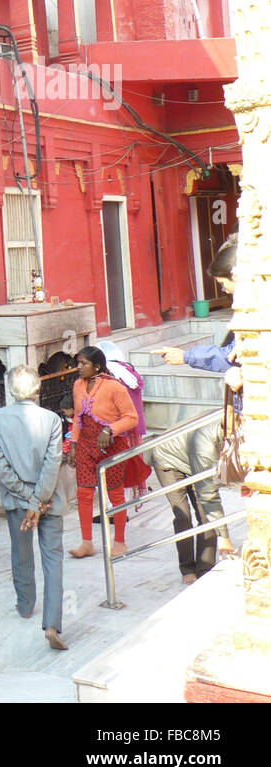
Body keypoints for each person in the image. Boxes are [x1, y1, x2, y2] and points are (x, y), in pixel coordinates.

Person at [146, 234, 241, 580]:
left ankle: (205, 564)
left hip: (202, 444)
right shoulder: (207, 442)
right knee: (184, 514)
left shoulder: (211, 439)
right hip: (168, 461)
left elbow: (209, 492)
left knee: (204, 506)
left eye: (225, 283)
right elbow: (225, 357)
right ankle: (191, 568)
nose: (227, 291)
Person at [0, 365, 69, 651]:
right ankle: (52, 623)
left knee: (21, 553)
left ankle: (24, 605)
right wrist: (37, 500)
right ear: (37, 389)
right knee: (53, 559)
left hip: (20, 500)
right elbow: (52, 462)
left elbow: (0, 465)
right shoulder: (52, 419)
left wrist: (27, 499)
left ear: (10, 390)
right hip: (48, 499)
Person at [68, 346, 141, 559]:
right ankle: (87, 543)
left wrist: (110, 430)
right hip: (85, 445)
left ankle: (119, 541)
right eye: (78, 363)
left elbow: (131, 417)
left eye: (83, 364)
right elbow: (78, 418)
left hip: (112, 446)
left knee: (115, 493)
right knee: (84, 493)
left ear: (97, 367)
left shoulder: (115, 388)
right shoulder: (77, 385)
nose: (78, 368)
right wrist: (73, 444)